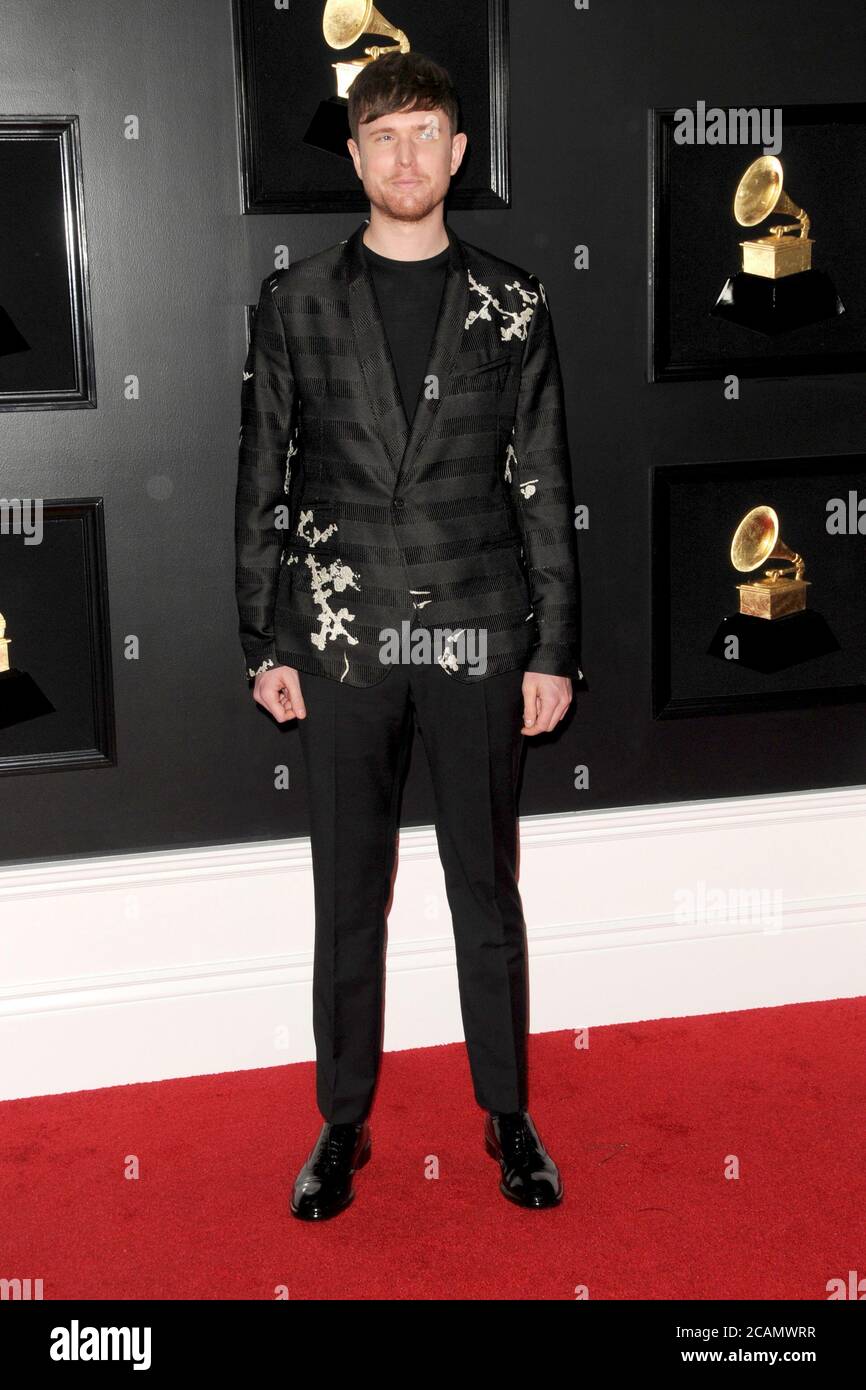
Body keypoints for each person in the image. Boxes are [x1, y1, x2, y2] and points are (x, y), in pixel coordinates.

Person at [234, 50, 583, 1220]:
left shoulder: (513, 300)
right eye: (382, 136)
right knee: (350, 890)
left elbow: (540, 481)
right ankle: (341, 1125)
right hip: (339, 639)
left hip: (479, 633)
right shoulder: (292, 301)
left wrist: (551, 649)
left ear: (457, 153)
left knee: (484, 884)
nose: (404, 156)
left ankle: (507, 1115)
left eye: (426, 132)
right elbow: (263, 483)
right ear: (354, 156)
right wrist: (263, 640)